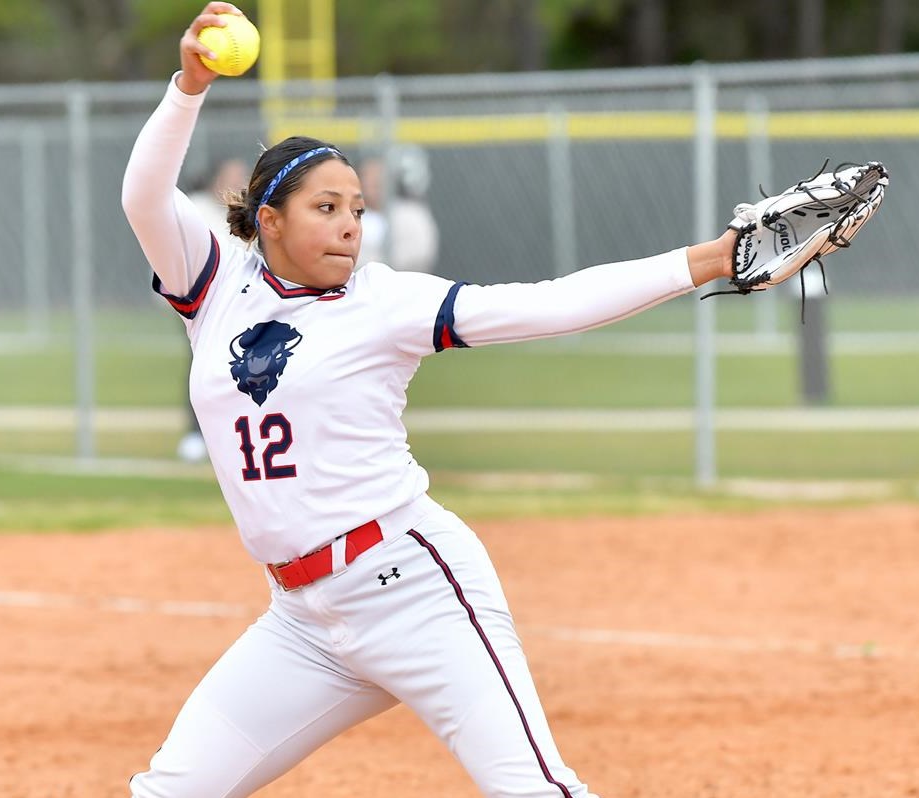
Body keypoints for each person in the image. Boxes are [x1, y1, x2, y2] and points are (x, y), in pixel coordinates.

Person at [121, 5, 741, 795]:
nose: (350, 225)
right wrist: (189, 87)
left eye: (355, 208)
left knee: (534, 790)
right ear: (267, 220)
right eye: (325, 207)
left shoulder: (386, 302)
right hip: (303, 622)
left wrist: (704, 260)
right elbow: (144, 196)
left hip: (412, 588)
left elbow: (549, 304)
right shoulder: (216, 285)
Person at [176, 157, 251, 463]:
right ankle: (196, 433)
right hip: (202, 302)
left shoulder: (253, 214)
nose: (237, 182)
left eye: (242, 176)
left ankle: (239, 434)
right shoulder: (198, 208)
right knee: (203, 367)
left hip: (244, 303)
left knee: (247, 369)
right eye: (230, 176)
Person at [358, 147, 440, 274]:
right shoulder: (351, 216)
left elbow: (422, 252)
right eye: (369, 178)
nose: (375, 183)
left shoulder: (412, 213)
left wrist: (386, 264)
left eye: (380, 177)